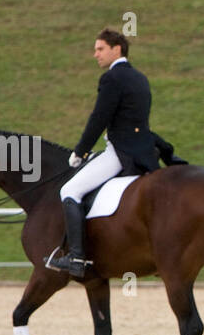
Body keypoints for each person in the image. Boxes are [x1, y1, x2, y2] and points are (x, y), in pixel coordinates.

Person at [48, 29, 176, 278]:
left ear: (116, 49)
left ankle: (75, 256)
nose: (95, 54)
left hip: (121, 151)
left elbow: (99, 118)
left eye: (100, 49)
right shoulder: (140, 77)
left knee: (69, 191)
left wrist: (80, 151)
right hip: (144, 151)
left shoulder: (111, 78)